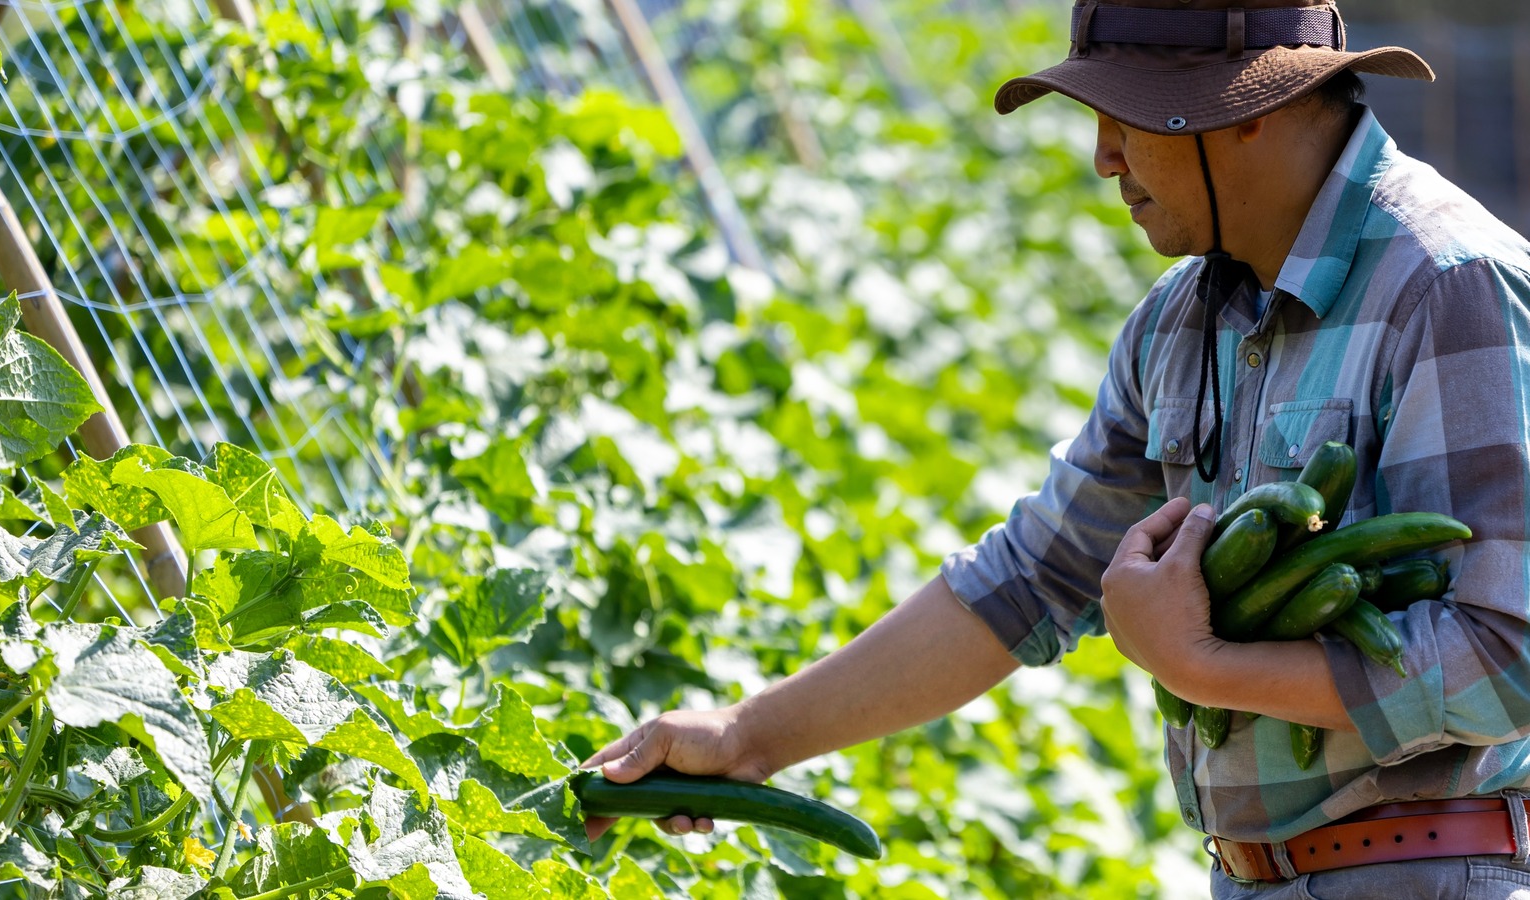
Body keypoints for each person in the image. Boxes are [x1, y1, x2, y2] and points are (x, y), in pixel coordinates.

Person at [585, 0, 1530, 894]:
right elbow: (1032, 578)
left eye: (1128, 115)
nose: (1102, 156)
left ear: (1250, 107)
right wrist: (746, 736)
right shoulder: (1179, 324)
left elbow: (1510, 660)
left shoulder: (1445, 286)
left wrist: (1200, 666)